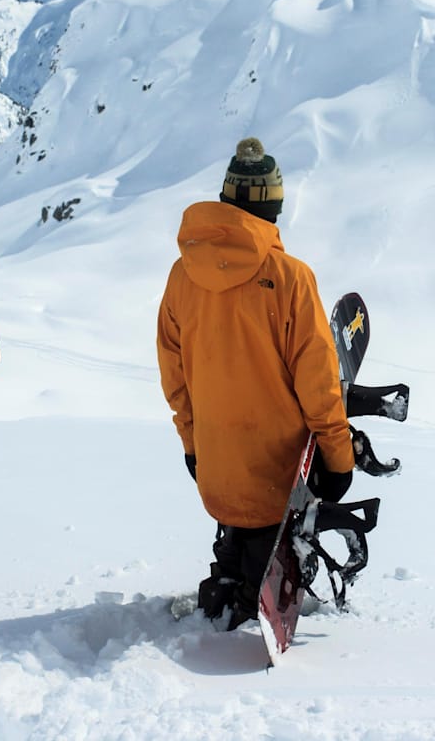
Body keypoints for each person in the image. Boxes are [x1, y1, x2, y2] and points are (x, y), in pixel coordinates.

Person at [156, 138, 355, 628]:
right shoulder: (290, 278)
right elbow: (319, 381)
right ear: (274, 205)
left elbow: (174, 374)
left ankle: (228, 580)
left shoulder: (182, 277)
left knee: (238, 524)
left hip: (216, 465)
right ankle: (251, 586)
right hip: (278, 469)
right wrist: (338, 454)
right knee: (267, 526)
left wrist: (192, 443)